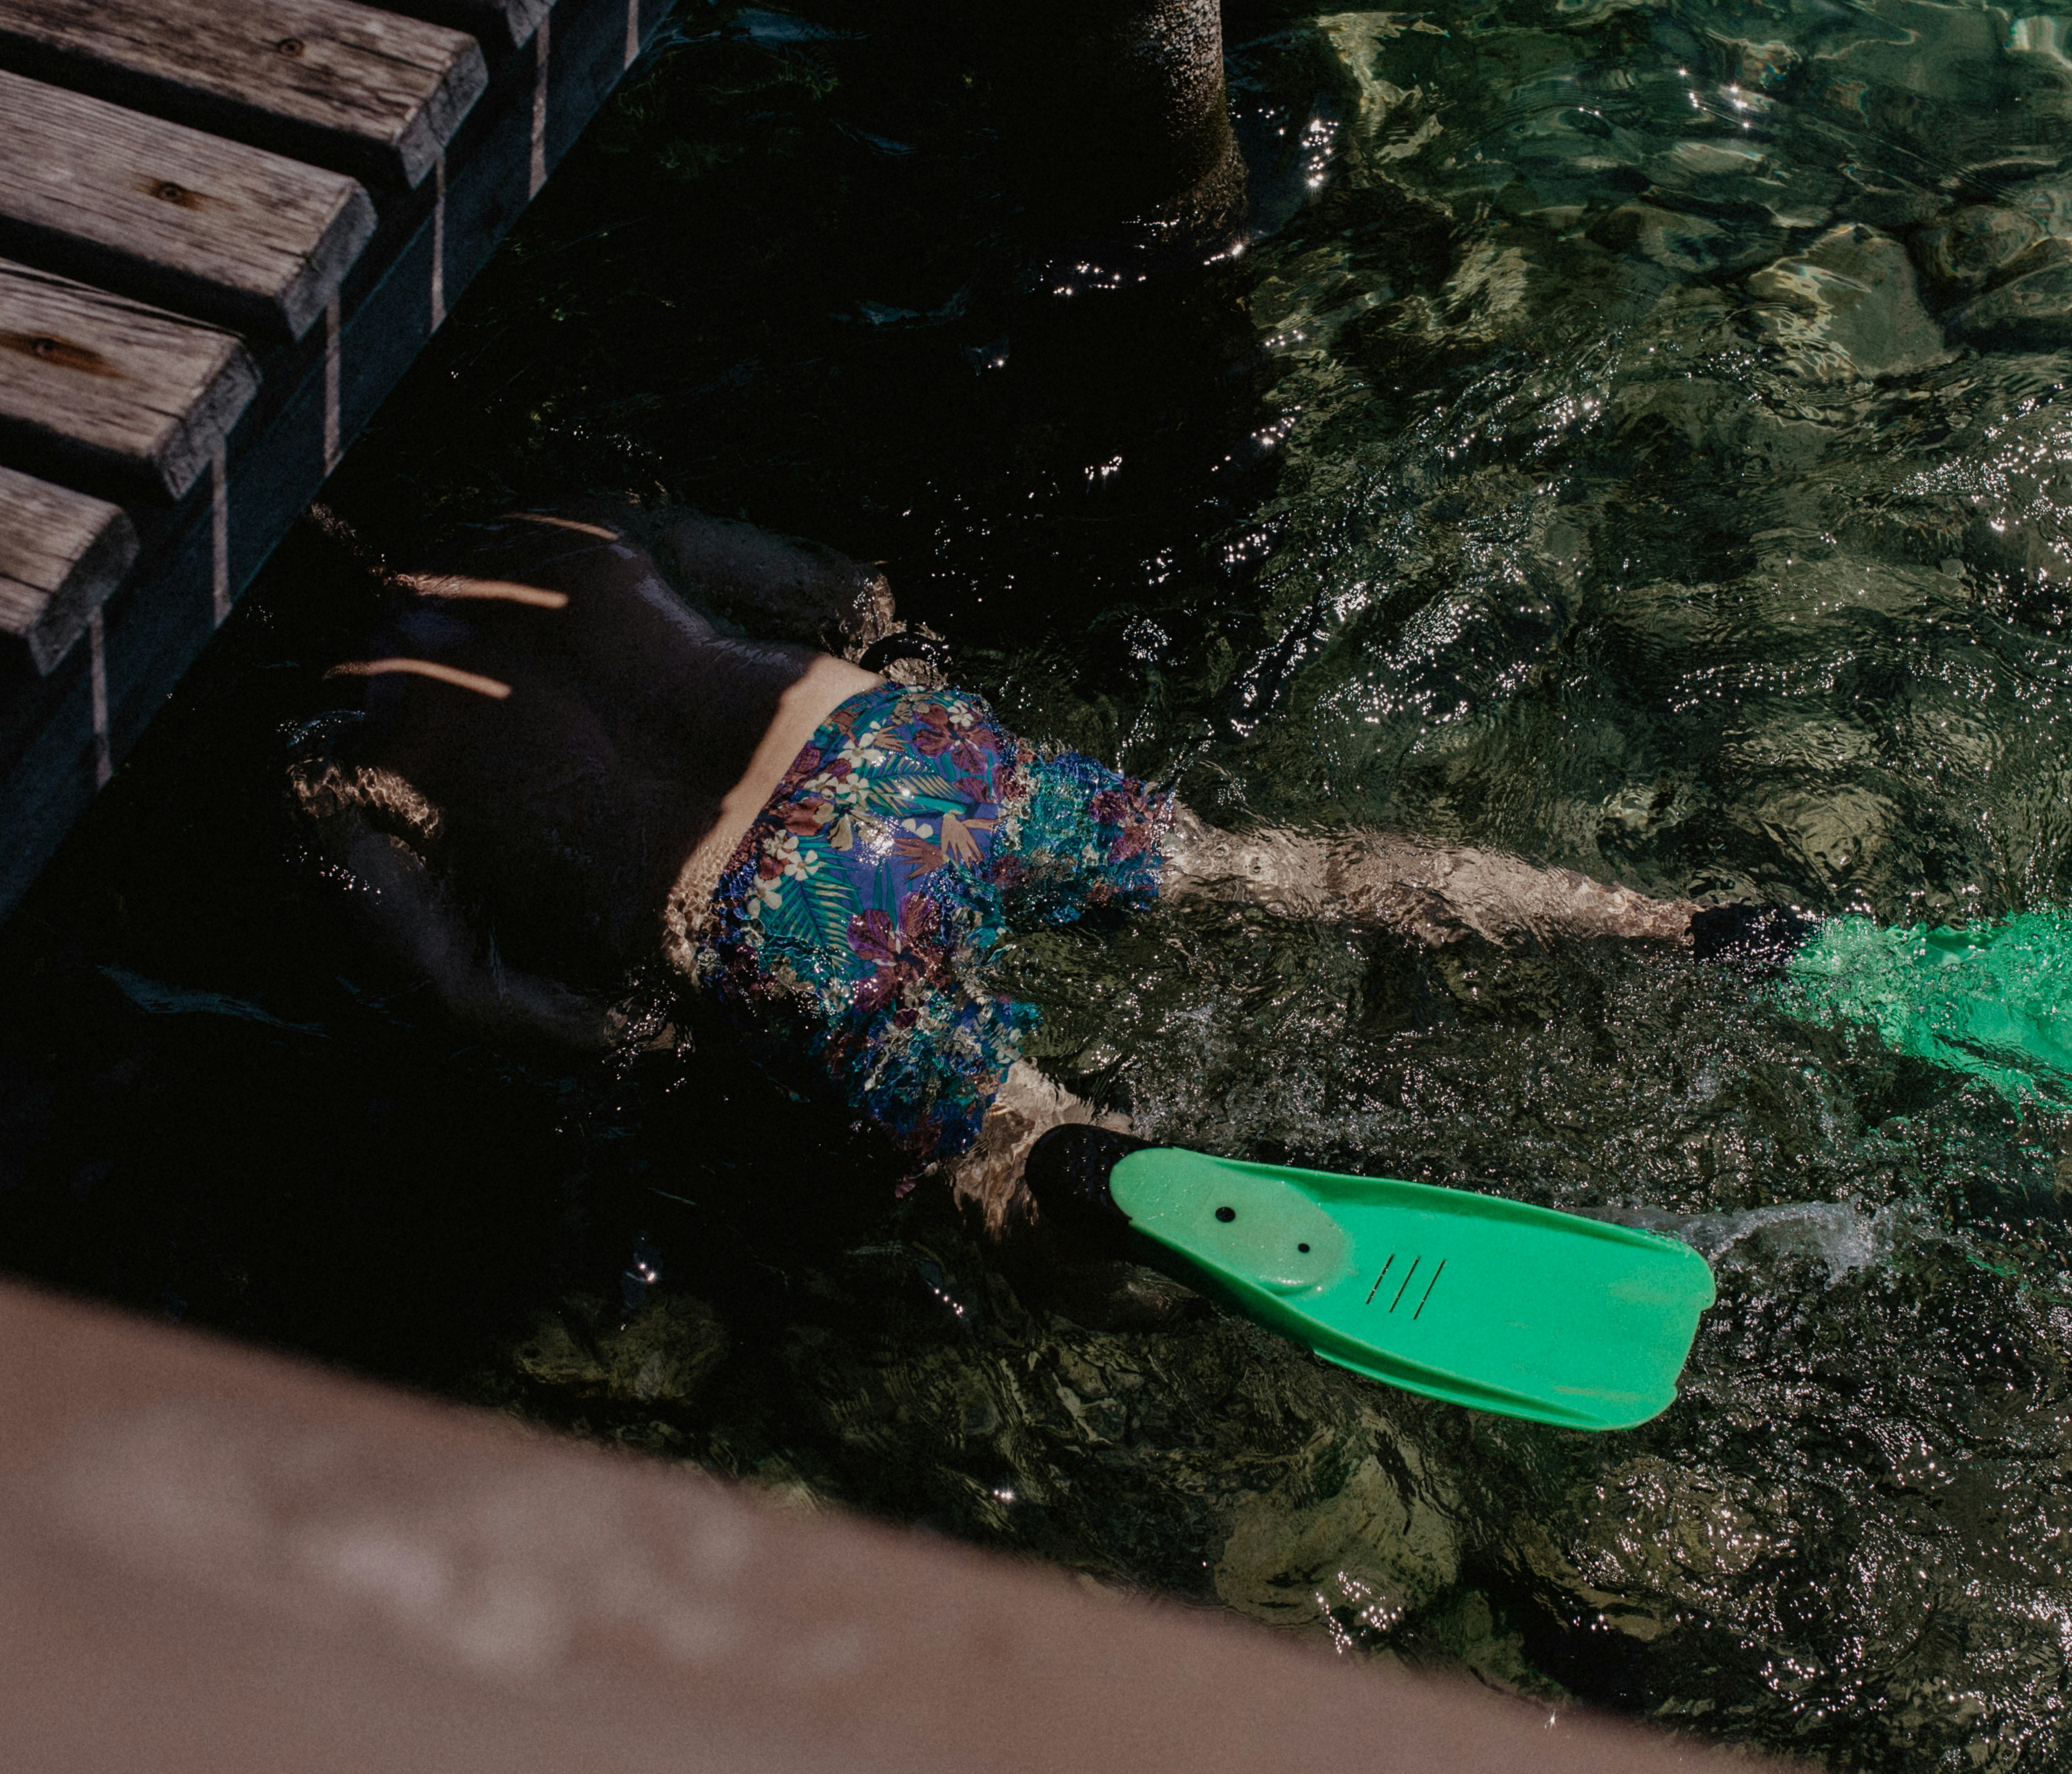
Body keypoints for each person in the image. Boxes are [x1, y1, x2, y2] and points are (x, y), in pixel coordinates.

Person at [287, 502, 1794, 1234]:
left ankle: (1079, 1166)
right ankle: (1676, 924)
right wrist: (923, 685)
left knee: (1003, 1140)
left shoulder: (327, 755)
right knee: (1260, 869)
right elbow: (859, 597)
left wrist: (658, 1044)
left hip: (788, 919)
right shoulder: (567, 524)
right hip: (909, 762)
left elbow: (462, 988)